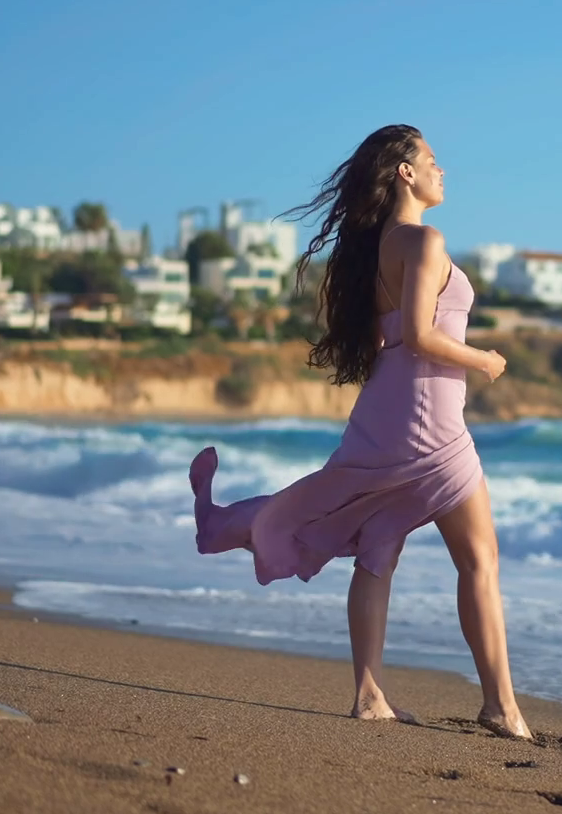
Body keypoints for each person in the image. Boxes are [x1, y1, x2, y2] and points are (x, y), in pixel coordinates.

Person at [187, 124, 529, 739]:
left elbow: (389, 339)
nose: (441, 170)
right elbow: (423, 336)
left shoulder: (375, 253)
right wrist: (485, 360)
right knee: (479, 559)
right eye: (431, 160)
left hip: (389, 413)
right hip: (430, 424)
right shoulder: (424, 241)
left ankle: (369, 694)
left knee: (376, 548)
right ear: (404, 171)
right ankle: (500, 707)